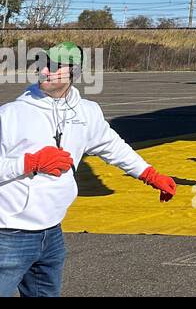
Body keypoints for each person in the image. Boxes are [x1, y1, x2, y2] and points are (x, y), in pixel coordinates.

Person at [0, 43, 176, 295]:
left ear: (73, 72)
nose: (45, 70)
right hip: (9, 235)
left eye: (56, 66)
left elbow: (114, 147)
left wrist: (148, 174)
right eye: (43, 63)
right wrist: (28, 163)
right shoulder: (11, 114)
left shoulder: (87, 113)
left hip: (52, 234)